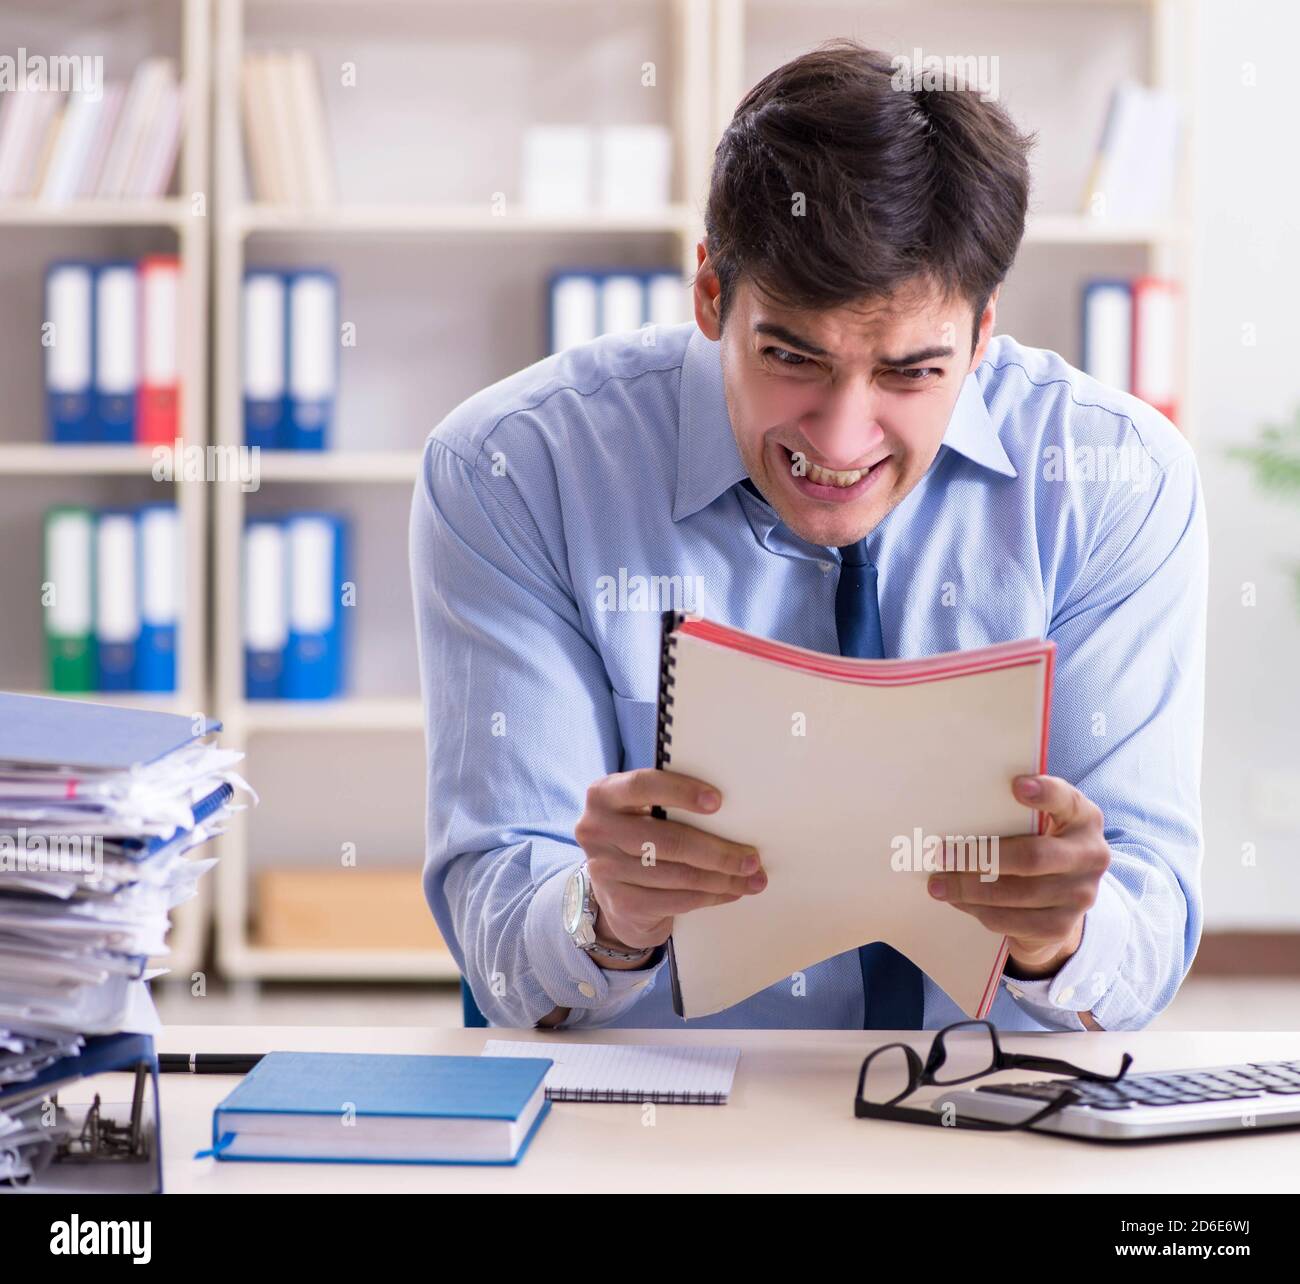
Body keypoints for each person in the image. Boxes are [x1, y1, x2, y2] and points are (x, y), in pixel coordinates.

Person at [409, 40, 1205, 1032]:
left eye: (912, 372)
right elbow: (501, 934)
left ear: (981, 332)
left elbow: (1151, 919)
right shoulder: (517, 469)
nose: (840, 438)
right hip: (655, 1130)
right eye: (793, 356)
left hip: (992, 1124)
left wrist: (1064, 938)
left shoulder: (1115, 478)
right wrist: (605, 916)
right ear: (710, 295)